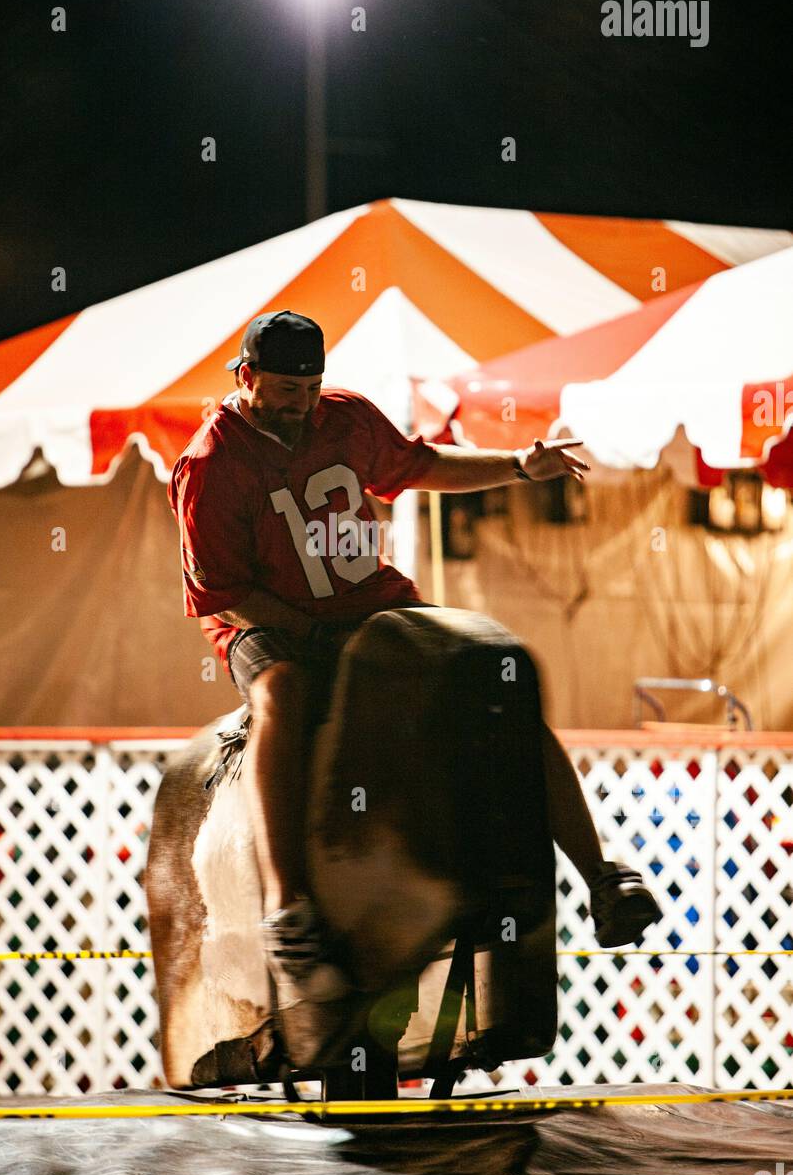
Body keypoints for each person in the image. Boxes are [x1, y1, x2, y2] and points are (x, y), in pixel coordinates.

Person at [168, 310, 660, 1001]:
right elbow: (222, 593)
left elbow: (421, 465)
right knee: (282, 691)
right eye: (285, 390)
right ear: (246, 378)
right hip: (271, 624)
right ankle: (289, 908)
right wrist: (312, 637)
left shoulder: (347, 418)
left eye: (310, 389)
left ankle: (604, 878)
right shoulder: (211, 462)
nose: (301, 405)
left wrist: (519, 465)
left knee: (496, 671)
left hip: (371, 604)